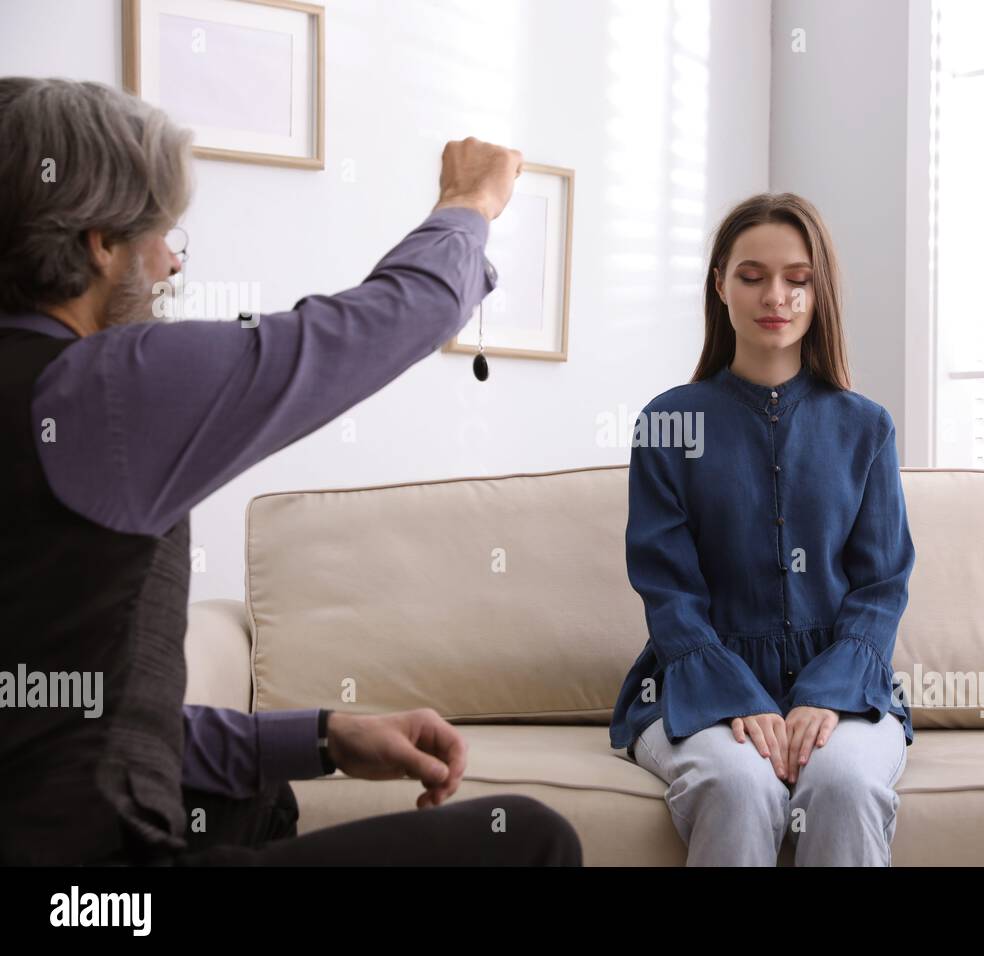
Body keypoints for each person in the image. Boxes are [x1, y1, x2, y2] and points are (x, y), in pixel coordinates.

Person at [0, 76, 581, 866]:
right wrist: (468, 203)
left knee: (253, 794)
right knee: (529, 840)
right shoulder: (94, 390)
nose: (171, 264)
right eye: (165, 234)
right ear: (101, 241)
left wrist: (323, 737)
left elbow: (66, 711)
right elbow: (372, 325)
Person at [608, 193, 916, 866]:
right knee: (739, 783)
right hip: (695, 687)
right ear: (720, 283)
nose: (774, 295)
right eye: (751, 276)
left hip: (847, 689)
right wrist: (734, 696)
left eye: (797, 279)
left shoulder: (867, 427)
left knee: (842, 782)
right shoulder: (668, 424)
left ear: (818, 290)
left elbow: (882, 585)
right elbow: (667, 589)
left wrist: (825, 696)